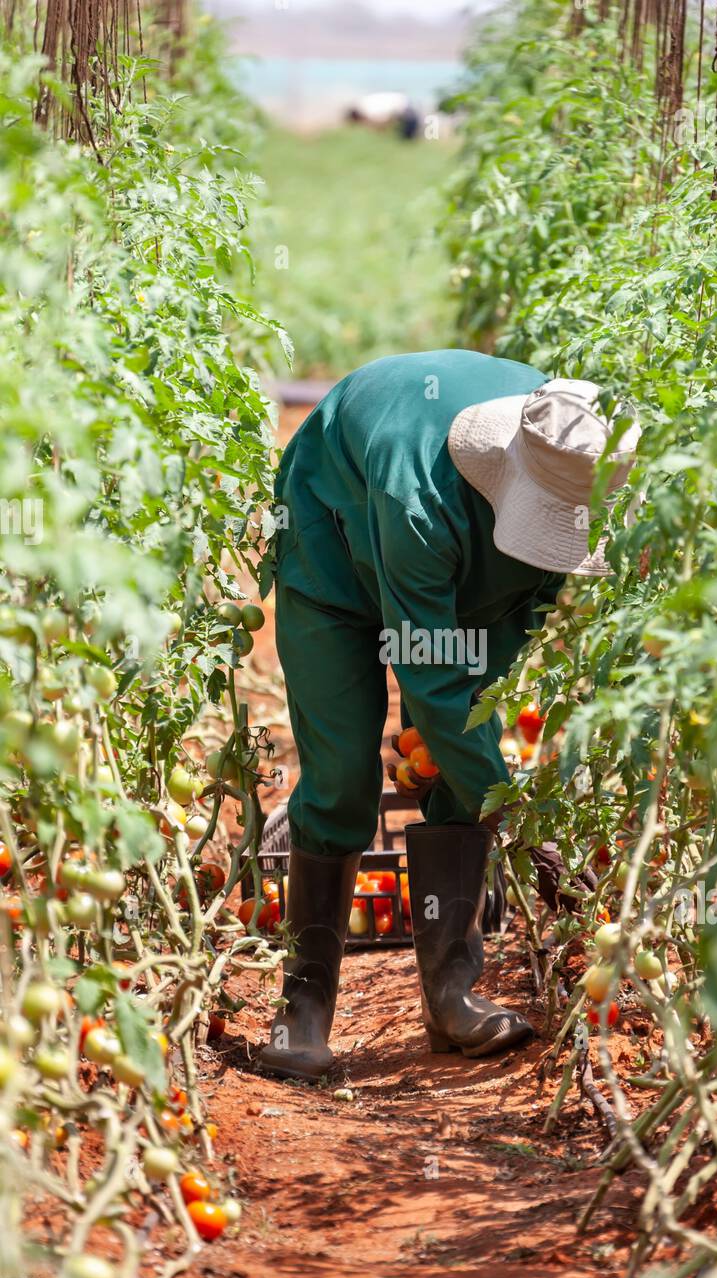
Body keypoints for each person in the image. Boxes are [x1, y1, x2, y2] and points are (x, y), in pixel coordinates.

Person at [259, 350, 640, 1081]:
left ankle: (452, 995)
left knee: (468, 758)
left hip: (465, 574)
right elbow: (430, 680)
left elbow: (520, 619)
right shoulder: (418, 497)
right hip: (331, 548)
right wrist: (522, 822)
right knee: (341, 774)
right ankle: (303, 1006)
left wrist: (487, 783)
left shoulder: (572, 445)